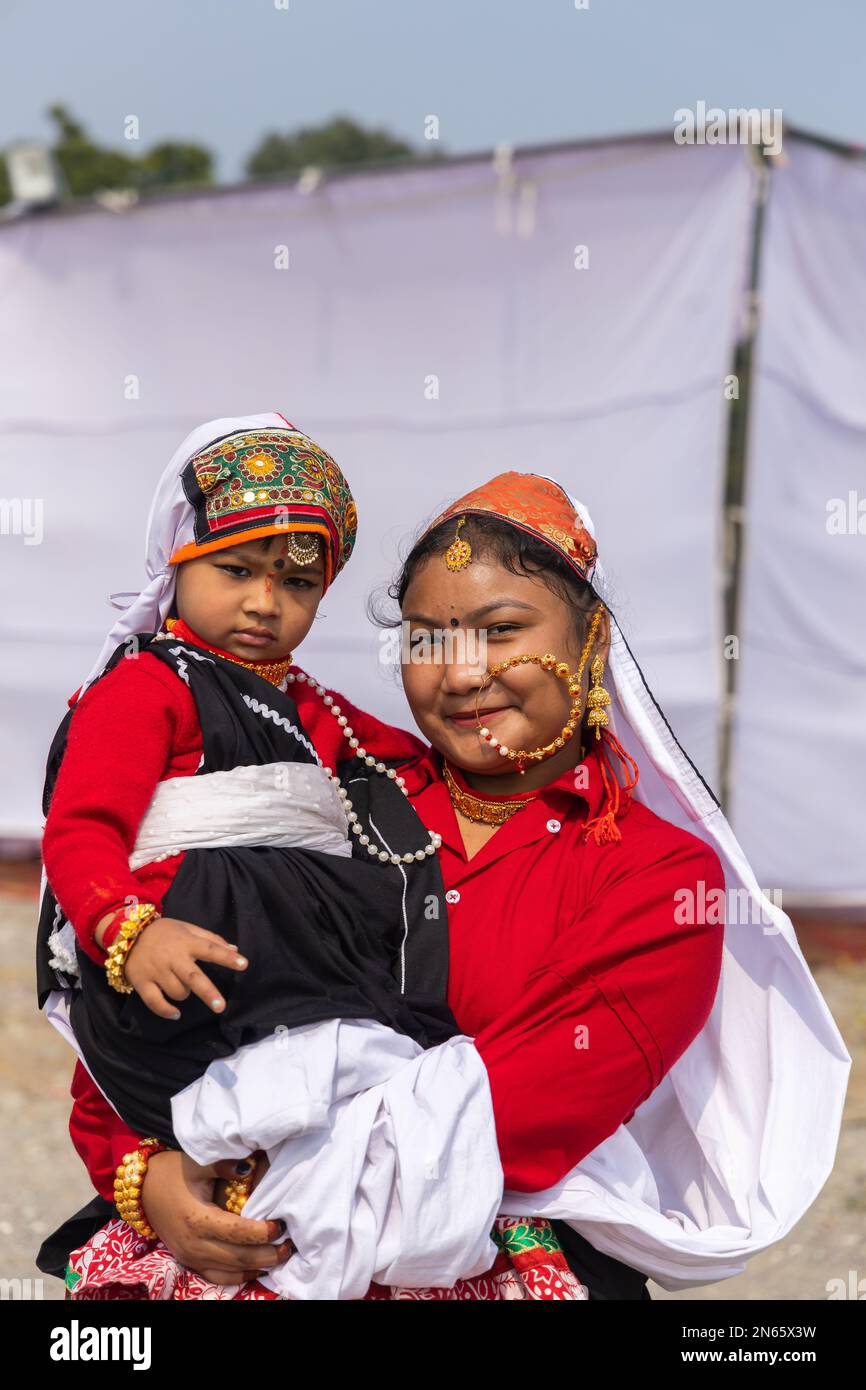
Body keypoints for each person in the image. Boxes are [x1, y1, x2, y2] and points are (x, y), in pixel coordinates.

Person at [37, 470, 850, 1301]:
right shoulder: (333, 794)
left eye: (501, 632)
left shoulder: (656, 876)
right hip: (237, 1238)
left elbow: (528, 1109)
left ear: (592, 640)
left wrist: (274, 1175)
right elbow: (158, 992)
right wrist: (145, 1175)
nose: (460, 676)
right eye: (427, 640)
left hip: (481, 1242)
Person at [35, 415, 509, 1300]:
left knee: (336, 1135)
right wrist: (128, 932)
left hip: (297, 977)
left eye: (297, 583)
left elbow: (412, 762)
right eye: (236, 571)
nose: (265, 604)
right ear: (176, 559)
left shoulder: (312, 706)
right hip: (181, 971)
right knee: (169, 1111)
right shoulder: (144, 687)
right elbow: (81, 828)